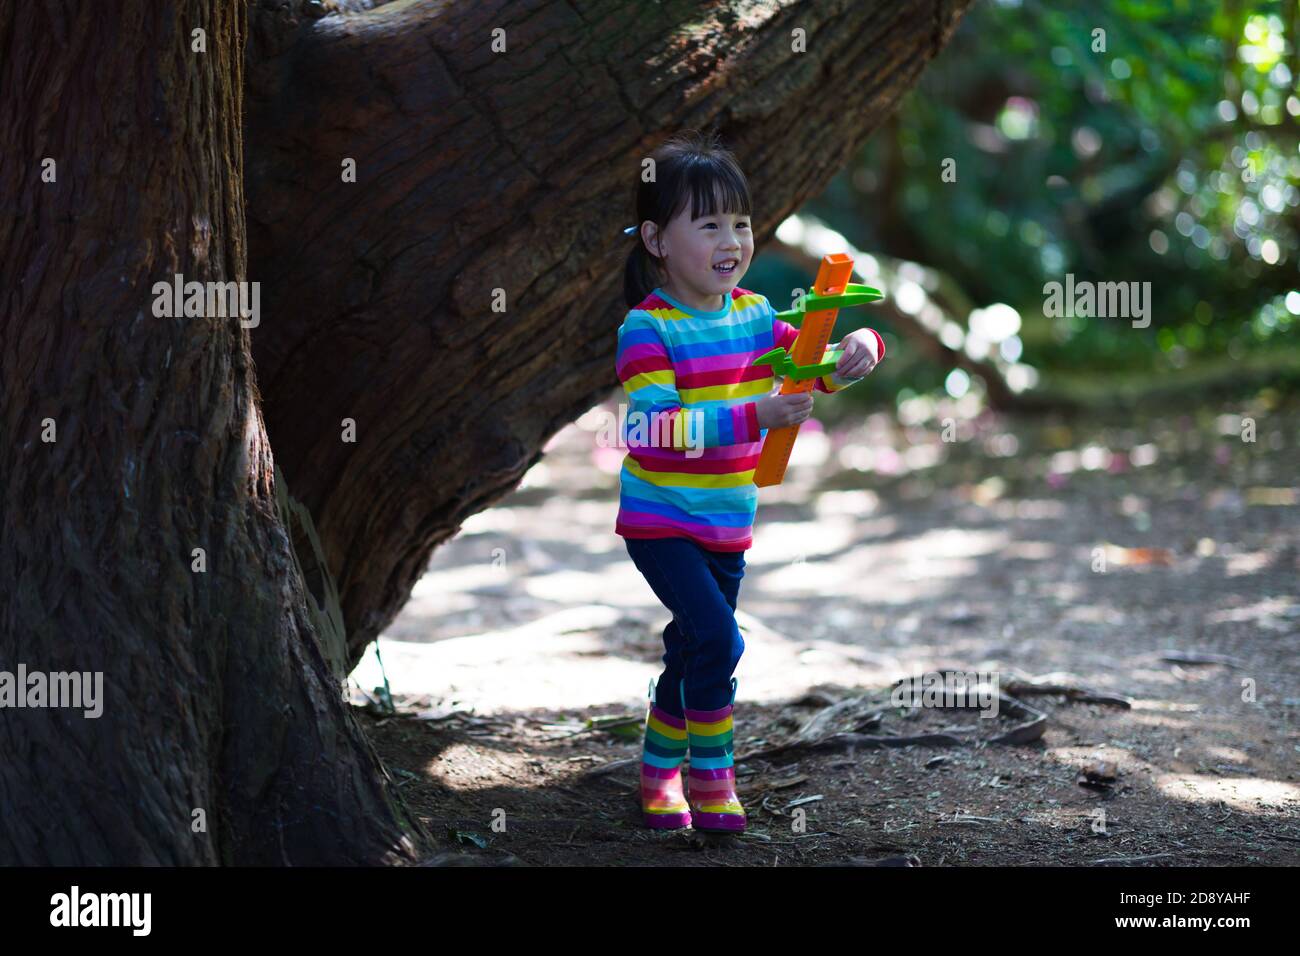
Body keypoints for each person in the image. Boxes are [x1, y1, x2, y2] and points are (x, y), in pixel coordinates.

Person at [614, 129, 886, 831]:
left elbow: (815, 367)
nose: (731, 239)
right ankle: (711, 775)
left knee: (692, 645)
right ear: (657, 240)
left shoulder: (758, 315)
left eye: (740, 222)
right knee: (722, 641)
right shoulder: (649, 329)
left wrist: (861, 347)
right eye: (708, 224)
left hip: (729, 518)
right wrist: (754, 414)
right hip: (662, 518)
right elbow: (652, 428)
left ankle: (656, 769)